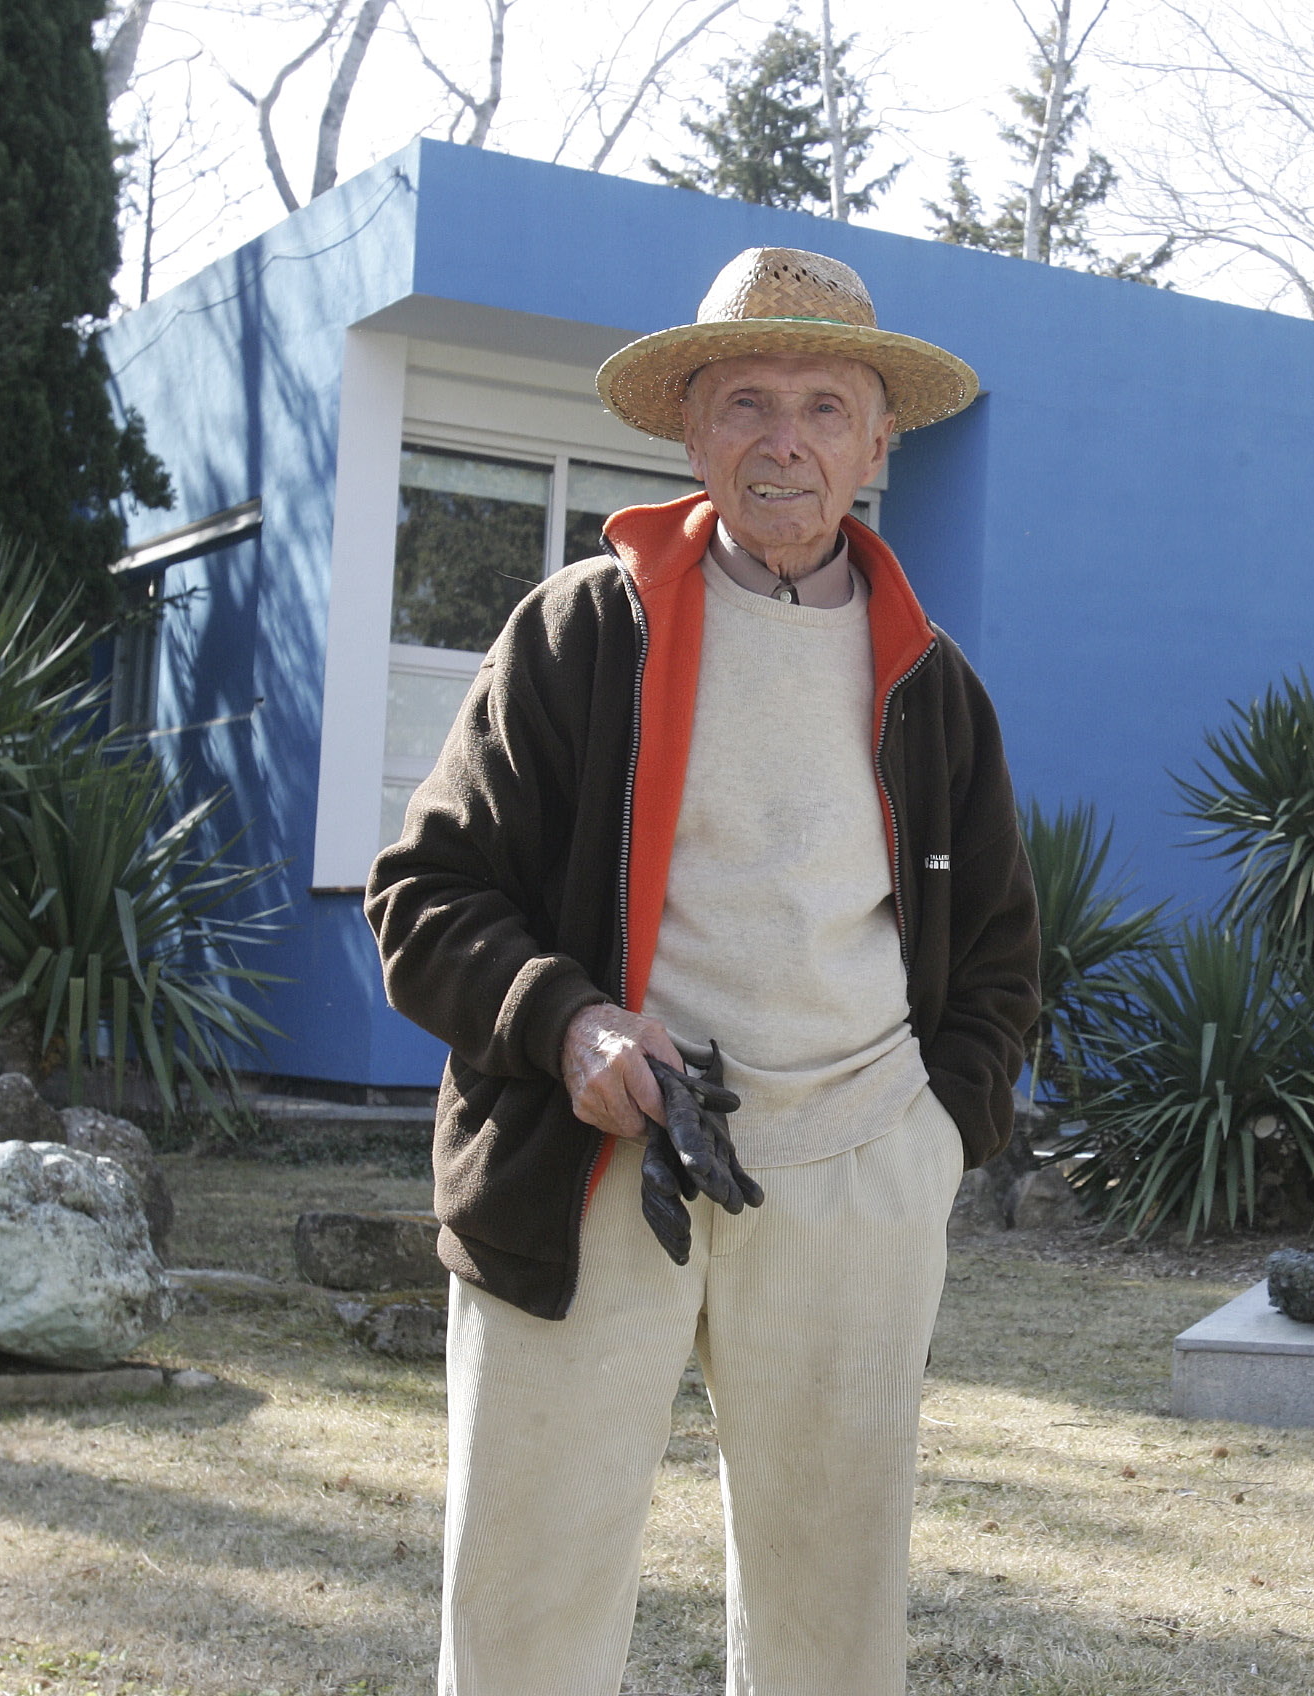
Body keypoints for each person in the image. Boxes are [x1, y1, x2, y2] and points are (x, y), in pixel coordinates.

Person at [366, 245, 1040, 1696]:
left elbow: (998, 957)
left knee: (834, 1627)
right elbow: (423, 897)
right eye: (745, 400)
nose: (782, 439)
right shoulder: (573, 633)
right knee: (525, 1608)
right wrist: (566, 1025)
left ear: (878, 440)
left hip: (858, 1174)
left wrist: (934, 1141)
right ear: (690, 431)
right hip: (589, 1165)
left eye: (821, 404)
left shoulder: (937, 683)